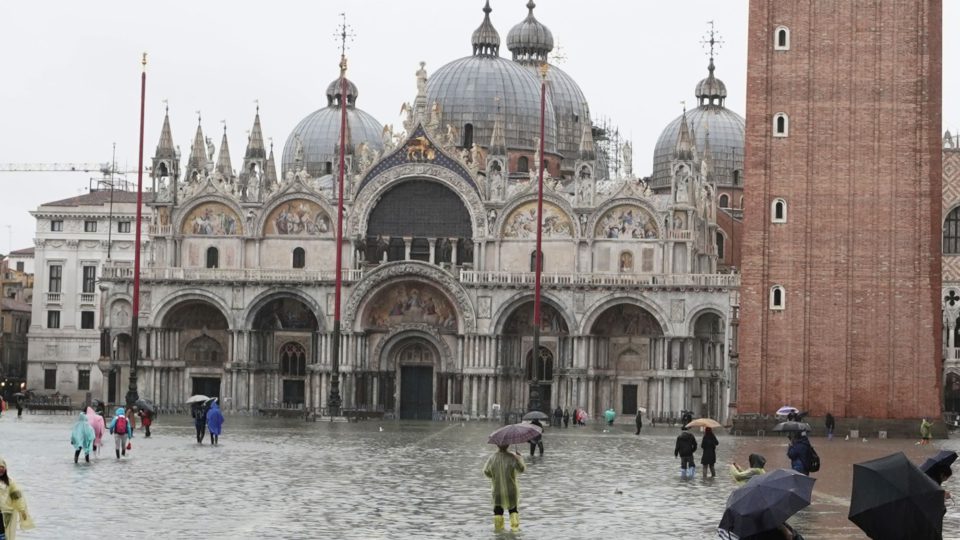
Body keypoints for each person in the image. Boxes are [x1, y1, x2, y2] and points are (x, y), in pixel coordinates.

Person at [483, 444, 526, 532]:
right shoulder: (512, 457)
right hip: (511, 490)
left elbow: (486, 471)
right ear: (508, 445)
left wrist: (494, 476)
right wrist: (519, 458)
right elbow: (521, 469)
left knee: (498, 511)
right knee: (513, 510)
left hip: (497, 490)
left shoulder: (492, 458)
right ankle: (515, 531)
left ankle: (499, 532)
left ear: (497, 445)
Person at [0, 456, 35, 540]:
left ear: (5, 469)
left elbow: (17, 497)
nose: (1, 469)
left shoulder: (10, 483)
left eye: (2, 467)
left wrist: (22, 510)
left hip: (6, 514)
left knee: (5, 535)